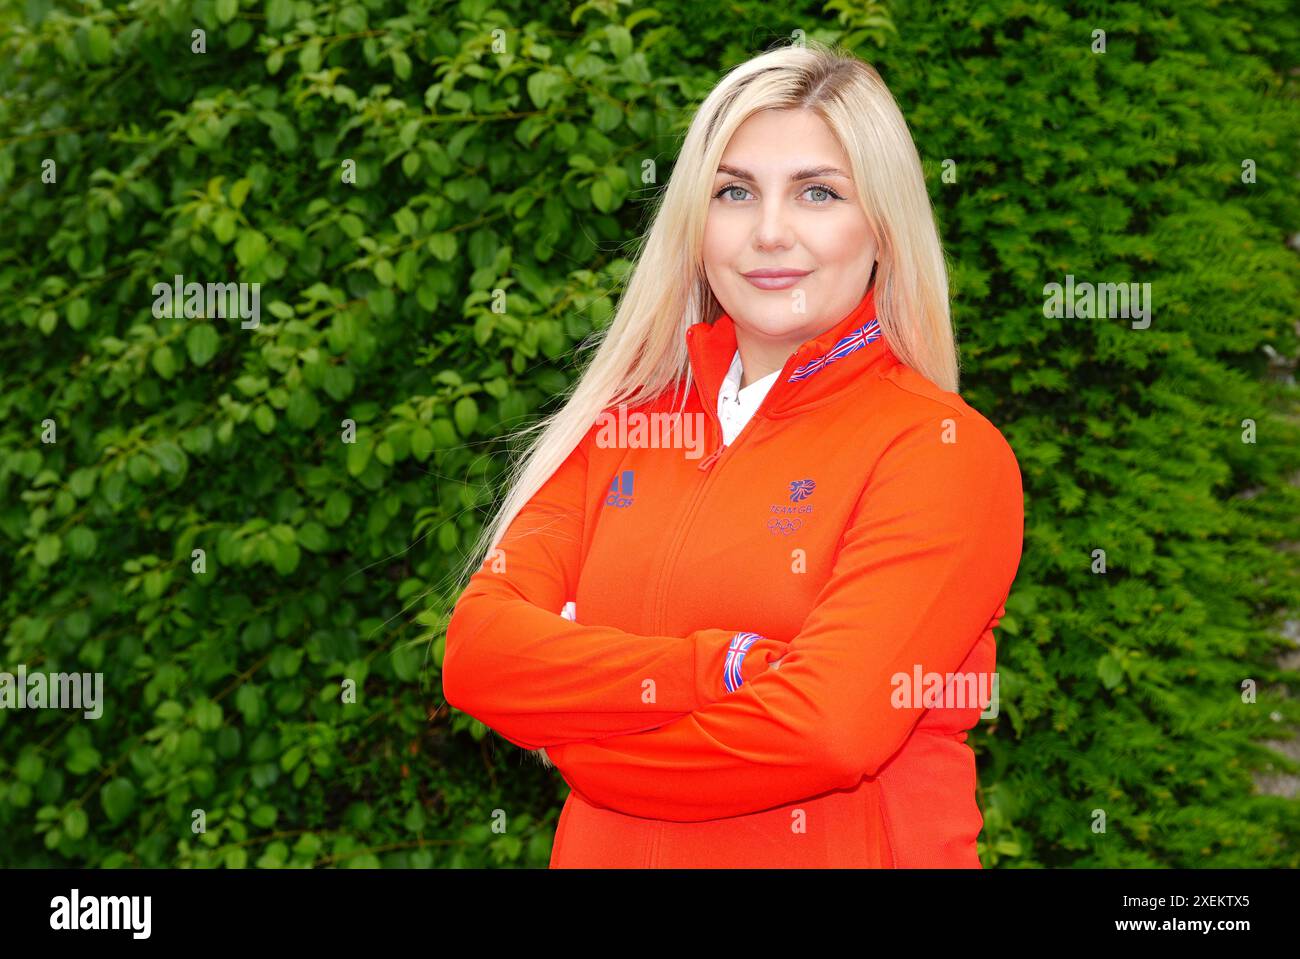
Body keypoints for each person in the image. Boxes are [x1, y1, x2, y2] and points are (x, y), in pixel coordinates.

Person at [441, 40, 1025, 868]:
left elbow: (827, 731)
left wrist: (580, 742)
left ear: (883, 226)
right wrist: (721, 667)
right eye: (734, 192)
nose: (770, 232)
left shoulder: (942, 453)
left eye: (818, 192)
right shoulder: (624, 427)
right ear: (696, 221)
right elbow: (478, 655)